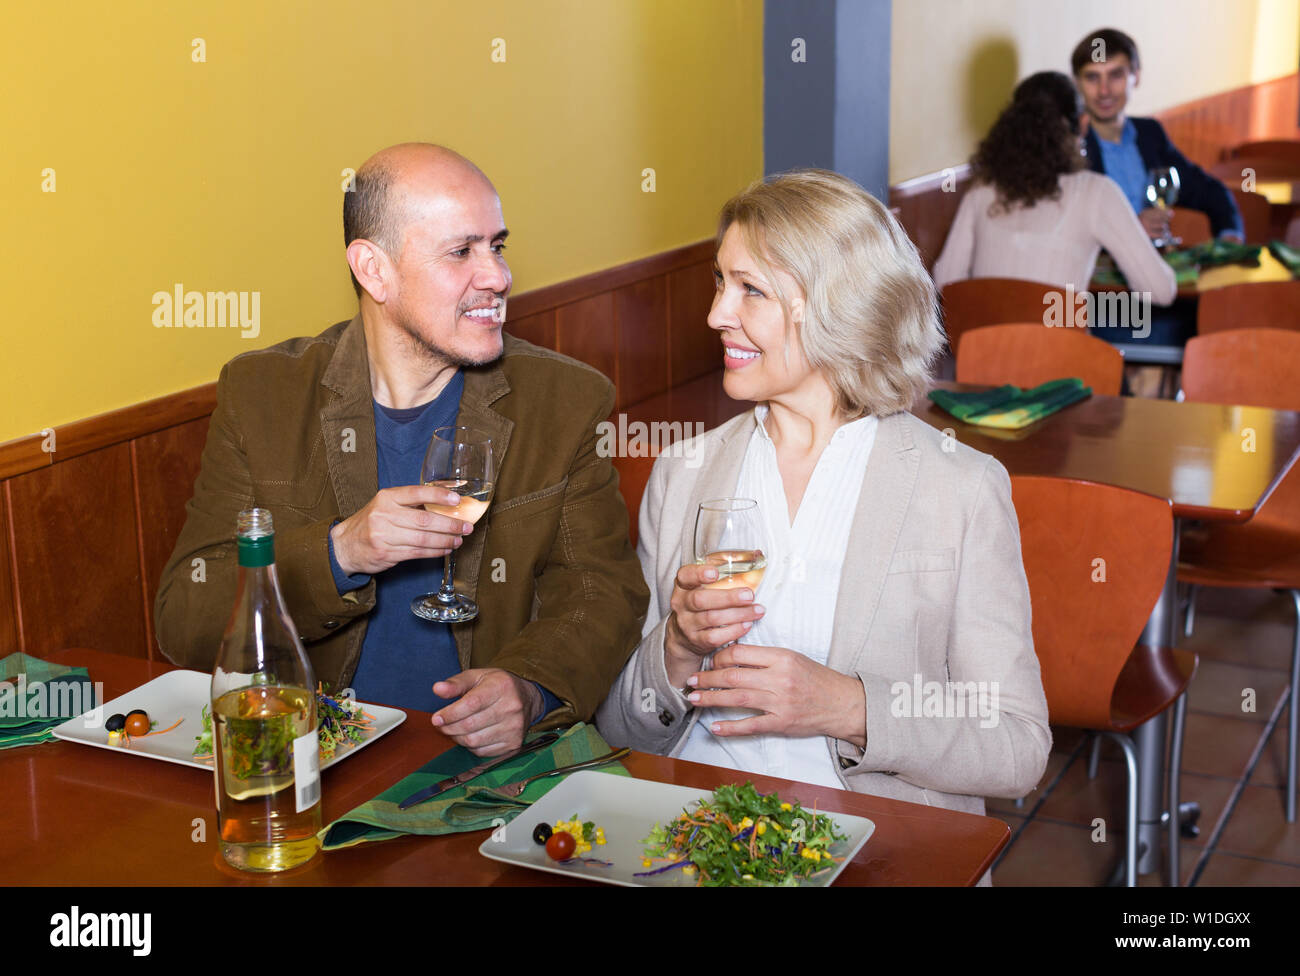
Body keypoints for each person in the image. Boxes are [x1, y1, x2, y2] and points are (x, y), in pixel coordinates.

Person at [155, 143, 649, 756]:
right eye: (461, 251)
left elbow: (602, 592)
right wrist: (341, 551)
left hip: (486, 774)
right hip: (315, 756)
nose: (497, 275)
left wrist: (529, 687)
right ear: (373, 270)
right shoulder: (263, 396)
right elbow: (187, 617)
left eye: (497, 246)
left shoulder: (566, 400)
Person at [596, 169, 1051, 819]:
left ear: (842, 307)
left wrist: (849, 706)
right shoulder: (683, 473)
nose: (716, 314)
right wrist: (677, 648)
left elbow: (1017, 747)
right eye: (721, 283)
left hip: (877, 841)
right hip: (695, 829)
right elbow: (618, 728)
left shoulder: (960, 489)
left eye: (750, 290)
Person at [932, 71, 1177, 308]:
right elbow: (1161, 291)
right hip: (1059, 347)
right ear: (1082, 124)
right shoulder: (1097, 192)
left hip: (980, 348)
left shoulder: (981, 191)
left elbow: (945, 282)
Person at [1072, 27, 1243, 243]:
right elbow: (1064, 230)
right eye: (1092, 77)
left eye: (1116, 75)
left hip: (1156, 266)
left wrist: (1230, 234)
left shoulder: (1149, 134)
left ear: (1136, 77)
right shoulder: (1068, 145)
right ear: (1077, 83)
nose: (1104, 90)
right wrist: (1131, 230)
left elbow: (1208, 190)